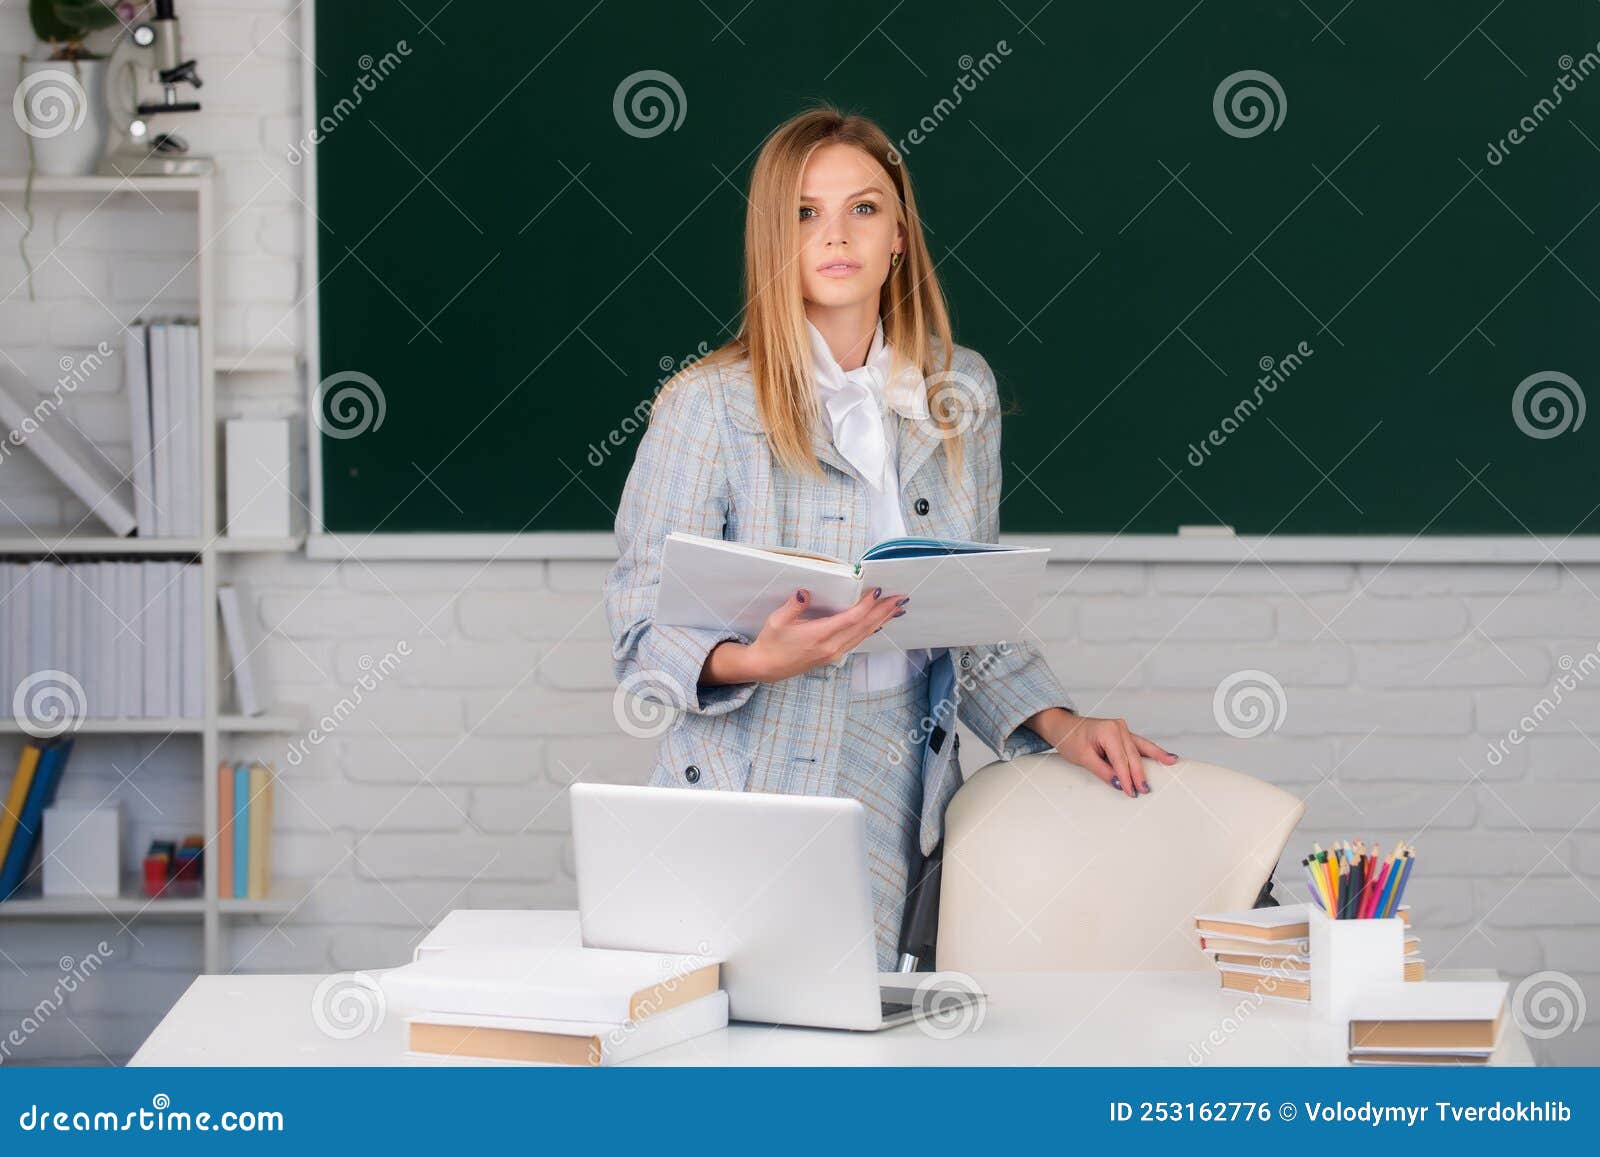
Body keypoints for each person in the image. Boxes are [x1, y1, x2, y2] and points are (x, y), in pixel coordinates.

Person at [604, 105, 1176, 968]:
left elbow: (969, 619)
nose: (836, 234)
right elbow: (642, 636)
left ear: (900, 231)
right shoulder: (707, 405)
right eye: (805, 213)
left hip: (900, 784)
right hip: (750, 784)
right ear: (773, 238)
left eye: (863, 208)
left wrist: (1061, 723)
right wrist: (757, 660)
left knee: (865, 1059)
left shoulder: (961, 393)